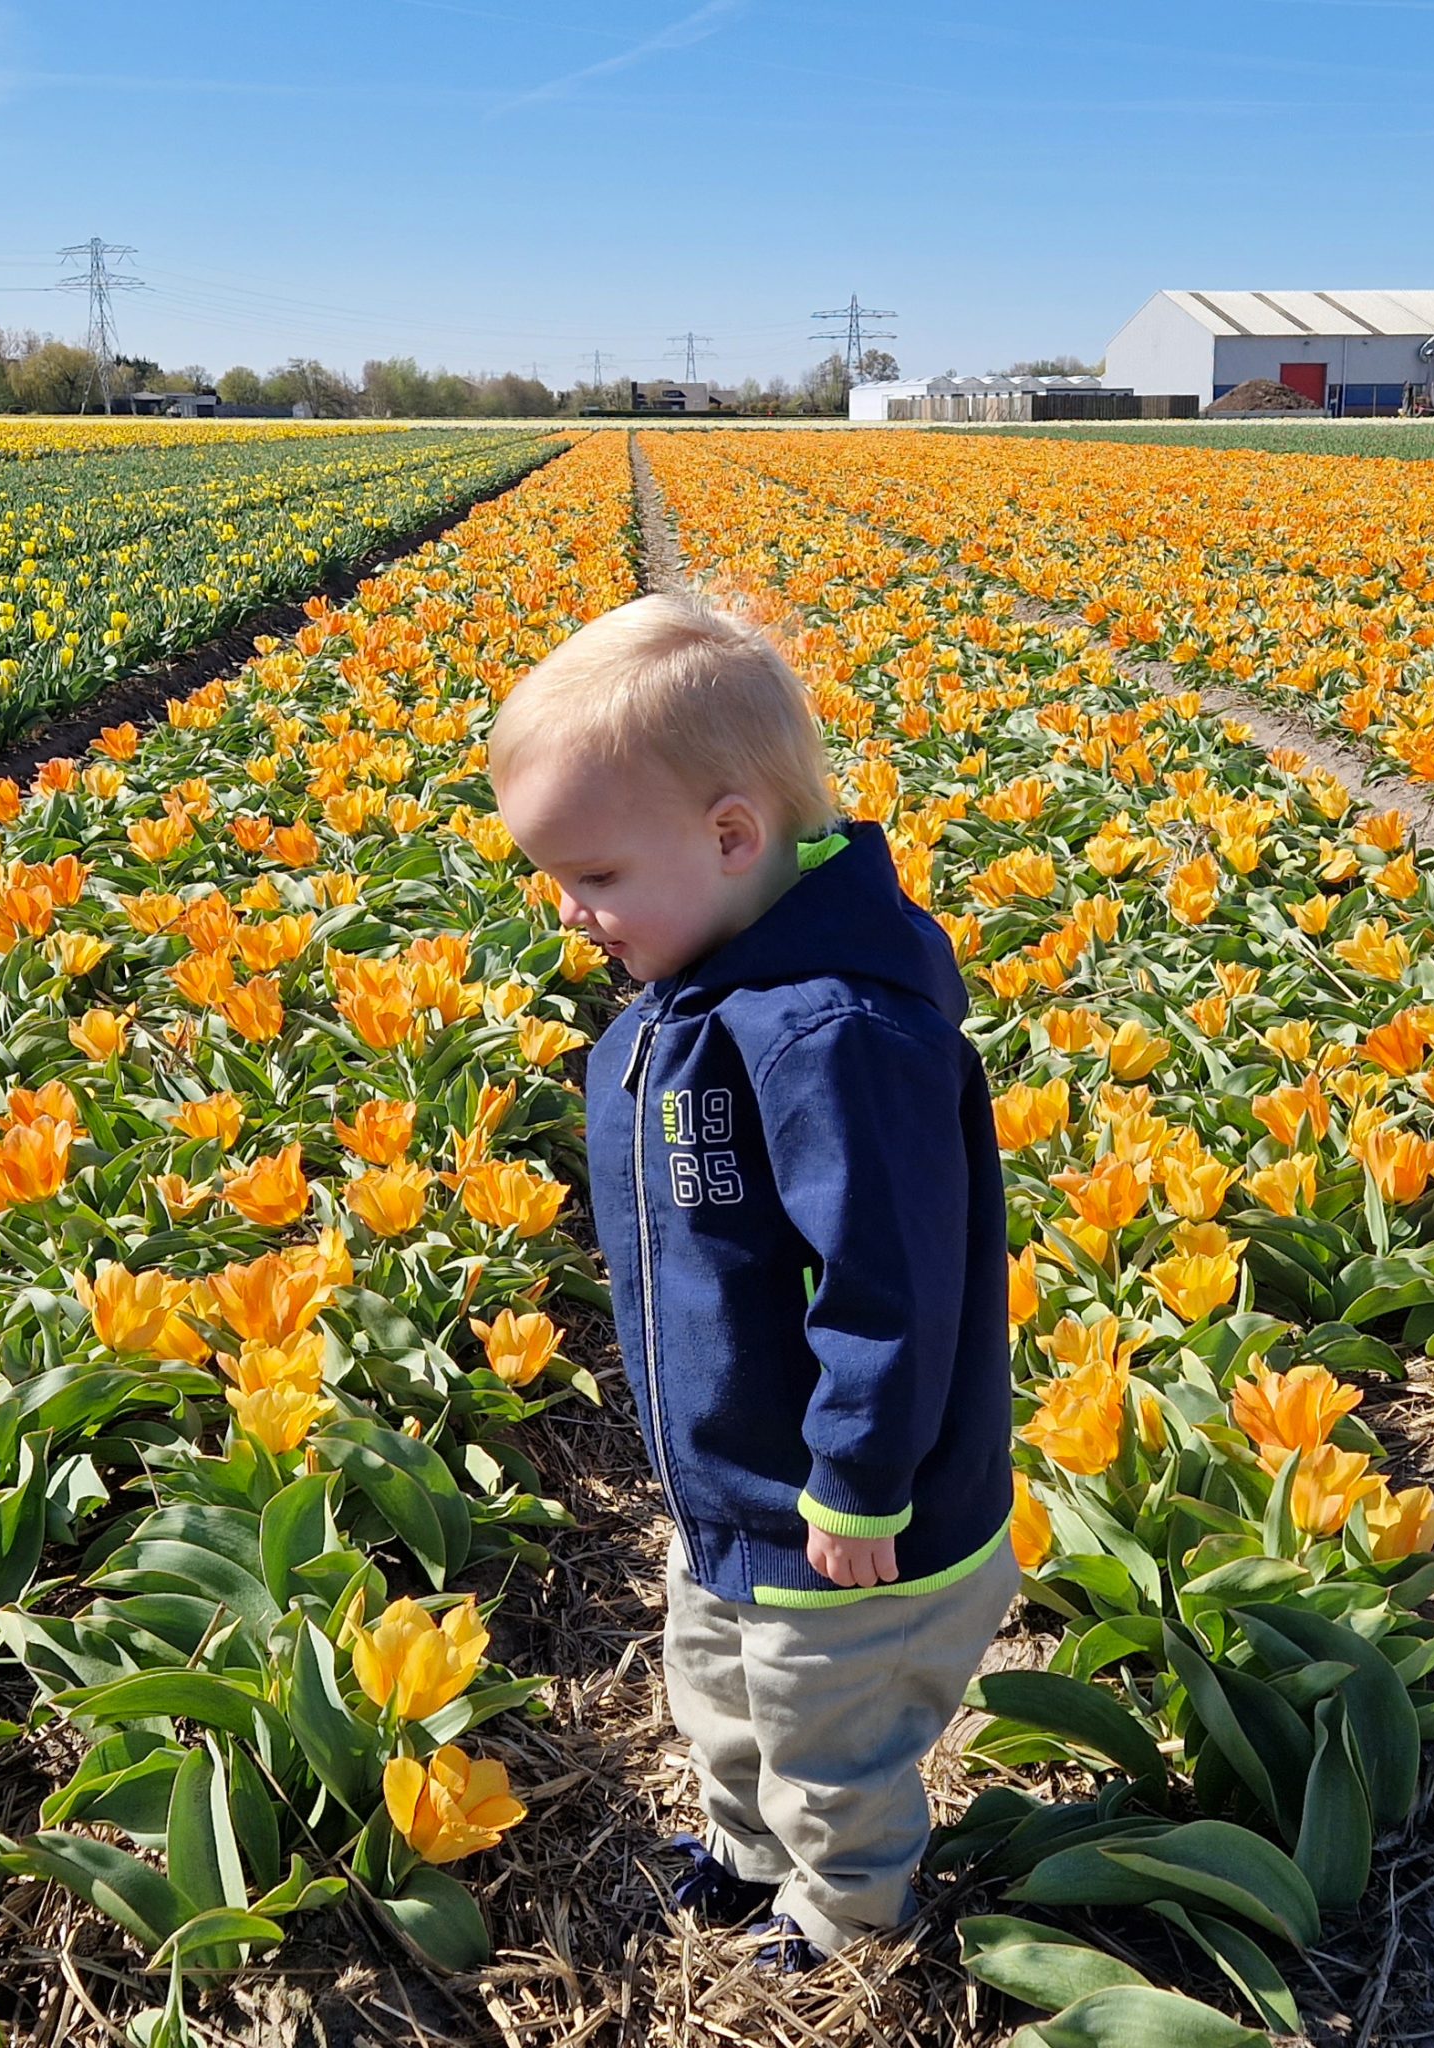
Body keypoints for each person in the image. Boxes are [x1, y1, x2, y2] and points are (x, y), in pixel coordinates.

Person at [489, 594, 1018, 1972]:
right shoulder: (706, 980)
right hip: (734, 1482)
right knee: (718, 1690)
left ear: (731, 838)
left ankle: (848, 1922)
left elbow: (889, 1281)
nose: (570, 909)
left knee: (826, 1731)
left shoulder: (833, 1035)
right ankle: (740, 1853)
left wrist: (856, 1476)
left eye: (594, 874)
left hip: (852, 1514)